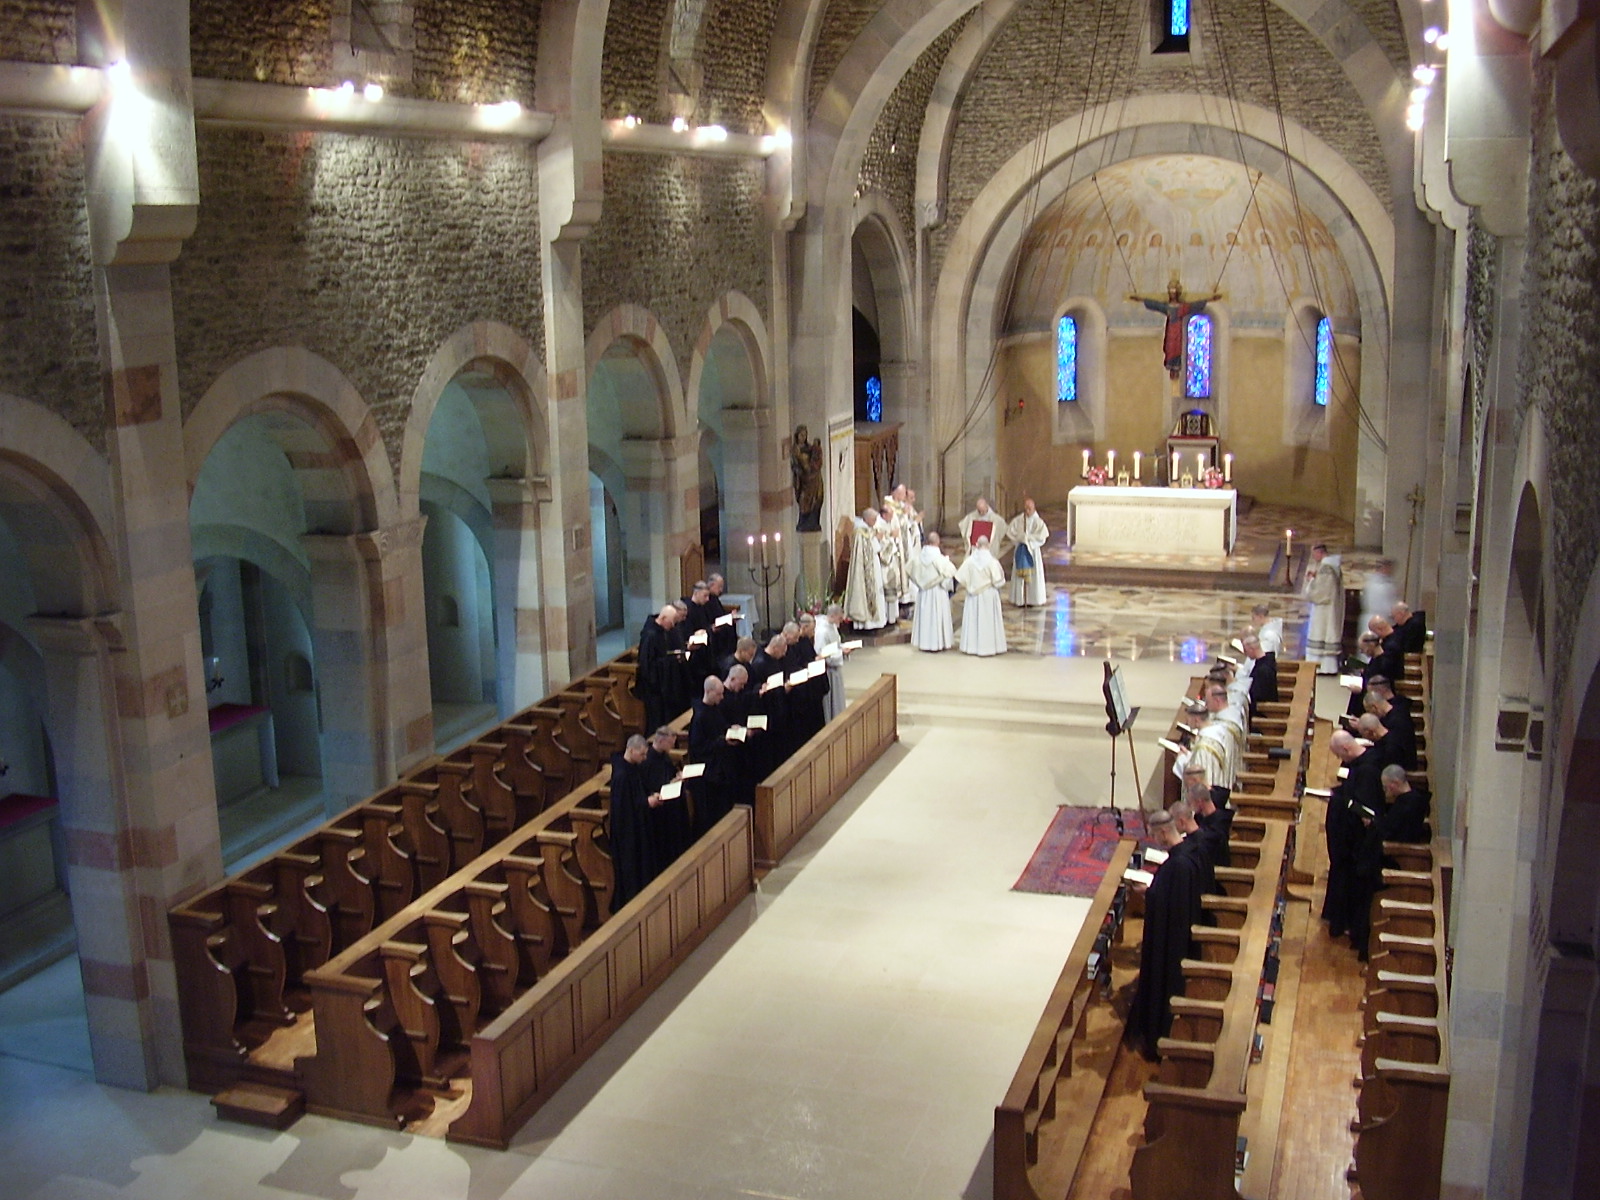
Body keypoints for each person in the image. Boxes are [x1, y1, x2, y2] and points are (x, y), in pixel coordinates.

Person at [1124, 808, 1210, 1059]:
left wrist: (1147, 892)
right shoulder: (1188, 852)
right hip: (1180, 933)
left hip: (1171, 942)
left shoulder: (1179, 865)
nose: (1156, 841)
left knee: (1164, 986)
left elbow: (1171, 905)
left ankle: (1157, 1041)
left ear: (1164, 831)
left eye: (1155, 835)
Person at [1349, 765, 1433, 959]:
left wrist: (1375, 823)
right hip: (1389, 855)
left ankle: (1364, 945)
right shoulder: (1411, 800)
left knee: (1364, 879)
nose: (1386, 792)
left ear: (1395, 783)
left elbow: (1394, 833)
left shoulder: (1409, 805)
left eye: (1387, 787)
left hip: (1393, 861)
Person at [1322, 730, 1384, 939]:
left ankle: (1345, 922)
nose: (1341, 760)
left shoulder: (1368, 770)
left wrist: (1342, 801)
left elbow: (1366, 811)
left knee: (1348, 880)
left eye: (1340, 755)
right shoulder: (1359, 764)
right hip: (1346, 836)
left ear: (1347, 748)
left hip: (1355, 842)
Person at [608, 735, 676, 913]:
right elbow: (624, 811)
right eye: (642, 754)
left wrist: (651, 796)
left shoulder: (632, 768)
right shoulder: (622, 776)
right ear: (631, 750)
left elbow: (638, 794)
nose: (645, 758)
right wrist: (646, 803)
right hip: (628, 837)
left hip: (639, 830)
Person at [1130, 278, 1223, 378]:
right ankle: (1170, 363)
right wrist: (1140, 299)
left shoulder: (1182, 307)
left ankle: (1176, 364)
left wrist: (1211, 299)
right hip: (1170, 331)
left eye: (1174, 293)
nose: (1172, 295)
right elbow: (1155, 304)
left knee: (1176, 348)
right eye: (1170, 293)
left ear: (1177, 294)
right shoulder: (1167, 307)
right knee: (1170, 348)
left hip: (1177, 332)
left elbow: (1196, 305)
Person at [688, 676, 734, 839]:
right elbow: (699, 748)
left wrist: (730, 729)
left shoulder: (714, 709)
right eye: (719, 694)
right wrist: (723, 742)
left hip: (720, 769)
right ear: (708, 692)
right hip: (709, 776)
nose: (722, 698)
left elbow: (720, 728)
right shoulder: (699, 717)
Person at [644, 725, 692, 860]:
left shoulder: (664, 756)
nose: (672, 746)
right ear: (661, 741)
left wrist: (678, 776)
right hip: (661, 811)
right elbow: (651, 785)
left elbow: (669, 773)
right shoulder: (647, 760)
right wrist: (672, 782)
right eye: (670, 743)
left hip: (673, 804)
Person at [955, 535, 1007, 656]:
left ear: (977, 545)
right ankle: (989, 647)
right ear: (988, 546)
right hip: (988, 594)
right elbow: (999, 581)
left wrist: (972, 584)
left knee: (973, 620)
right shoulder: (993, 562)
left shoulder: (969, 561)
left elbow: (960, 577)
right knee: (988, 621)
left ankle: (971, 647)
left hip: (973, 596)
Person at [636, 603, 683, 733]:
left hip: (663, 687)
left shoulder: (661, 631)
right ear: (663, 618)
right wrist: (671, 661)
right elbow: (647, 665)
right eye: (672, 622)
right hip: (653, 690)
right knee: (656, 722)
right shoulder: (650, 635)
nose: (673, 625)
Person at [908, 531, 957, 652]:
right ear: (938, 542)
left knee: (926, 617)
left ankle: (924, 643)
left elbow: (910, 572)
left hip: (923, 594)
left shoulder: (917, 559)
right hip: (937, 592)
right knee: (937, 616)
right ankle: (938, 643)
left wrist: (922, 583)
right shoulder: (941, 560)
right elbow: (951, 573)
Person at [1302, 543, 1345, 674]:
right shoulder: (1332, 566)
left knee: (1321, 633)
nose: (1313, 557)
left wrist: (1310, 581)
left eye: (1314, 554)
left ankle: (1323, 667)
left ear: (1320, 553)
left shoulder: (1327, 568)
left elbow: (1321, 593)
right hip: (1330, 608)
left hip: (1324, 611)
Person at [843, 508, 888, 630]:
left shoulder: (868, 530)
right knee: (864, 594)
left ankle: (875, 623)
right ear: (866, 519)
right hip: (865, 571)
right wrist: (876, 538)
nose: (875, 522)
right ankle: (866, 625)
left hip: (873, 567)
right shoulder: (860, 532)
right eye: (873, 519)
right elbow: (867, 549)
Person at [1006, 497, 1050, 607]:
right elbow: (1011, 532)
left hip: (1032, 552)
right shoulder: (1019, 520)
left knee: (1034, 574)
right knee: (1019, 575)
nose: (1027, 511)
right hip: (1021, 550)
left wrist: (1029, 540)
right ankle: (1020, 599)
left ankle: (1033, 599)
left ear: (1034, 508)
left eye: (1029, 508)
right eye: (1025, 508)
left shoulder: (1038, 522)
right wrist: (1020, 538)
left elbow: (1042, 537)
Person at [813, 603, 849, 722]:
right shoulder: (822, 632)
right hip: (829, 671)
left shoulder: (832, 626)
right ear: (833, 616)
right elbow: (822, 654)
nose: (841, 620)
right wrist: (842, 653)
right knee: (831, 703)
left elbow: (836, 645)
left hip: (836, 670)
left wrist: (844, 648)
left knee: (838, 701)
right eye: (839, 617)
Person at [705, 573, 738, 660]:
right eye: (719, 586)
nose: (721, 590)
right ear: (711, 585)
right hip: (716, 641)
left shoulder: (715, 599)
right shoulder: (707, 601)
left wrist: (731, 617)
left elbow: (720, 614)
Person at [1361, 558, 1399, 632]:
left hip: (1383, 620)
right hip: (1377, 620)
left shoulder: (1387, 583)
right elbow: (1384, 606)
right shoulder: (1376, 585)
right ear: (1384, 568)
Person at [1241, 633, 1279, 707]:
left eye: (1246, 650)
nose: (1245, 654)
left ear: (1251, 649)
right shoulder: (1265, 662)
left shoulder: (1263, 669)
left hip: (1263, 710)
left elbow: (1259, 695)